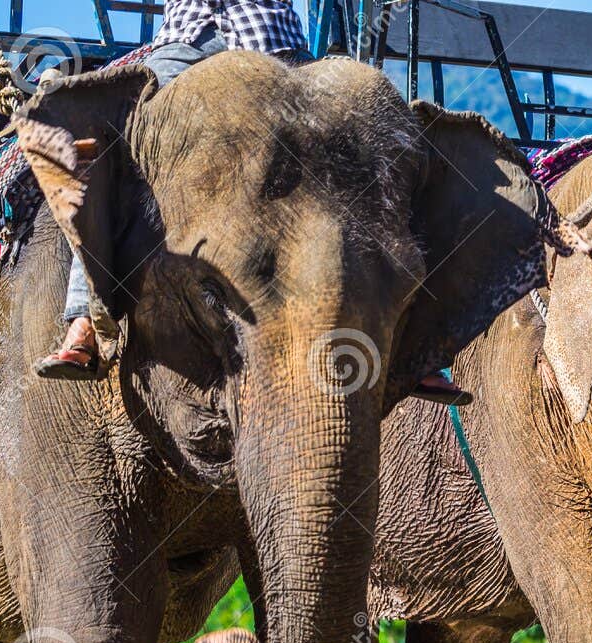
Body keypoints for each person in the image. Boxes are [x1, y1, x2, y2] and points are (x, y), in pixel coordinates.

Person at [40, 0, 466, 404]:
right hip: (186, 43)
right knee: (114, 145)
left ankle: (414, 350)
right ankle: (85, 320)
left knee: (370, 145)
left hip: (273, 41)